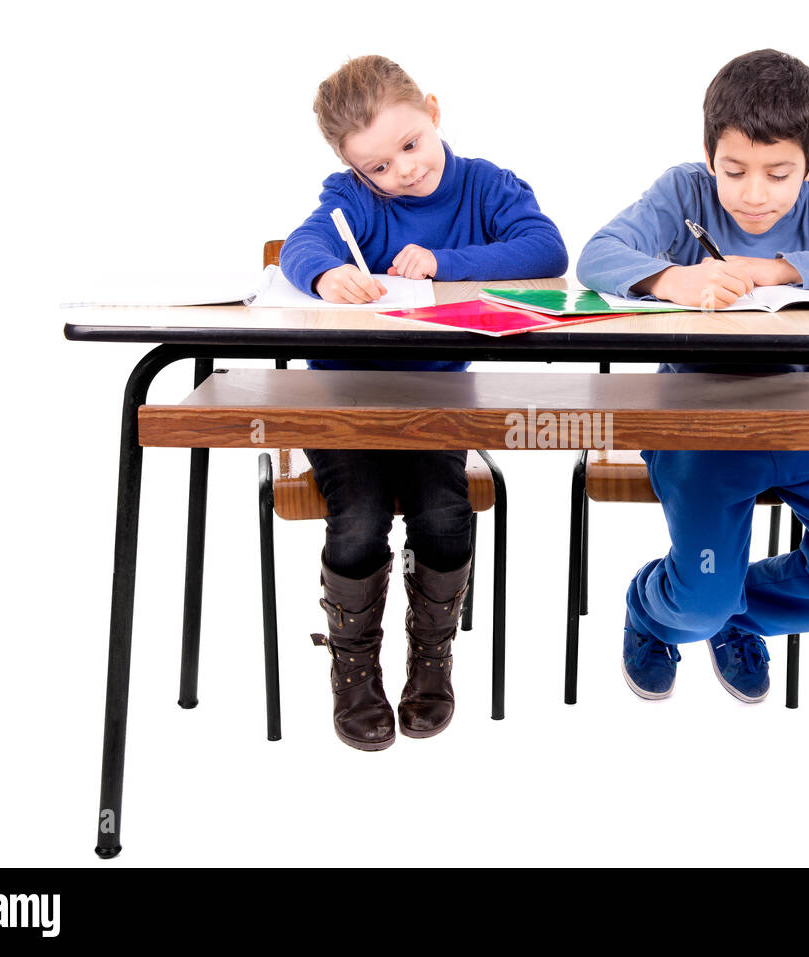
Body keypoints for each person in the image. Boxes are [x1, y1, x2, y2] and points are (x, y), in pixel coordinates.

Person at [576, 49, 809, 704]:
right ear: (709, 156)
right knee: (697, 601)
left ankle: (730, 611)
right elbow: (596, 257)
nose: (753, 193)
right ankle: (656, 610)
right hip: (698, 422)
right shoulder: (683, 190)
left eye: (779, 173)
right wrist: (675, 277)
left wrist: (781, 269)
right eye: (734, 170)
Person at [281, 55, 567, 749]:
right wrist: (325, 272)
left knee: (443, 509)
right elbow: (302, 242)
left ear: (433, 112)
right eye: (378, 166)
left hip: (436, 395)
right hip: (344, 398)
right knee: (361, 514)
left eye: (409, 145)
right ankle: (354, 668)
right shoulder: (353, 201)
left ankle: (430, 661)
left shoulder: (485, 187)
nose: (402, 172)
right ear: (356, 171)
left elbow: (546, 250)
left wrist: (446, 261)